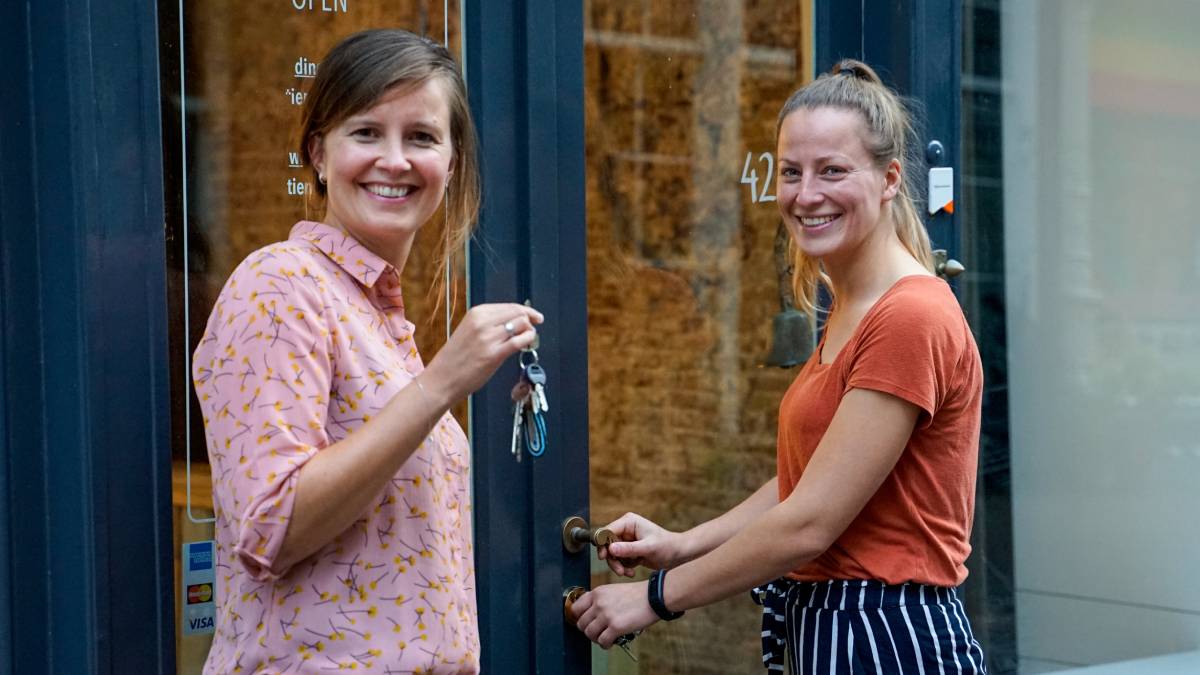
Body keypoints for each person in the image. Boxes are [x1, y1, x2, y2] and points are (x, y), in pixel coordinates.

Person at [572, 59, 988, 674]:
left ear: (890, 178)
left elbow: (808, 524)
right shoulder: (853, 307)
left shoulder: (909, 316)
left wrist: (655, 599)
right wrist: (685, 546)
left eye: (833, 171)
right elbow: (808, 484)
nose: (805, 194)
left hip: (887, 637)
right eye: (791, 172)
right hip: (842, 628)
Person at [192, 29, 541, 674]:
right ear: (319, 153)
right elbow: (272, 528)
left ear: (452, 163)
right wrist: (441, 385)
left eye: (422, 137)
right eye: (366, 133)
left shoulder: (381, 322)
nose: (395, 159)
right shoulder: (279, 285)